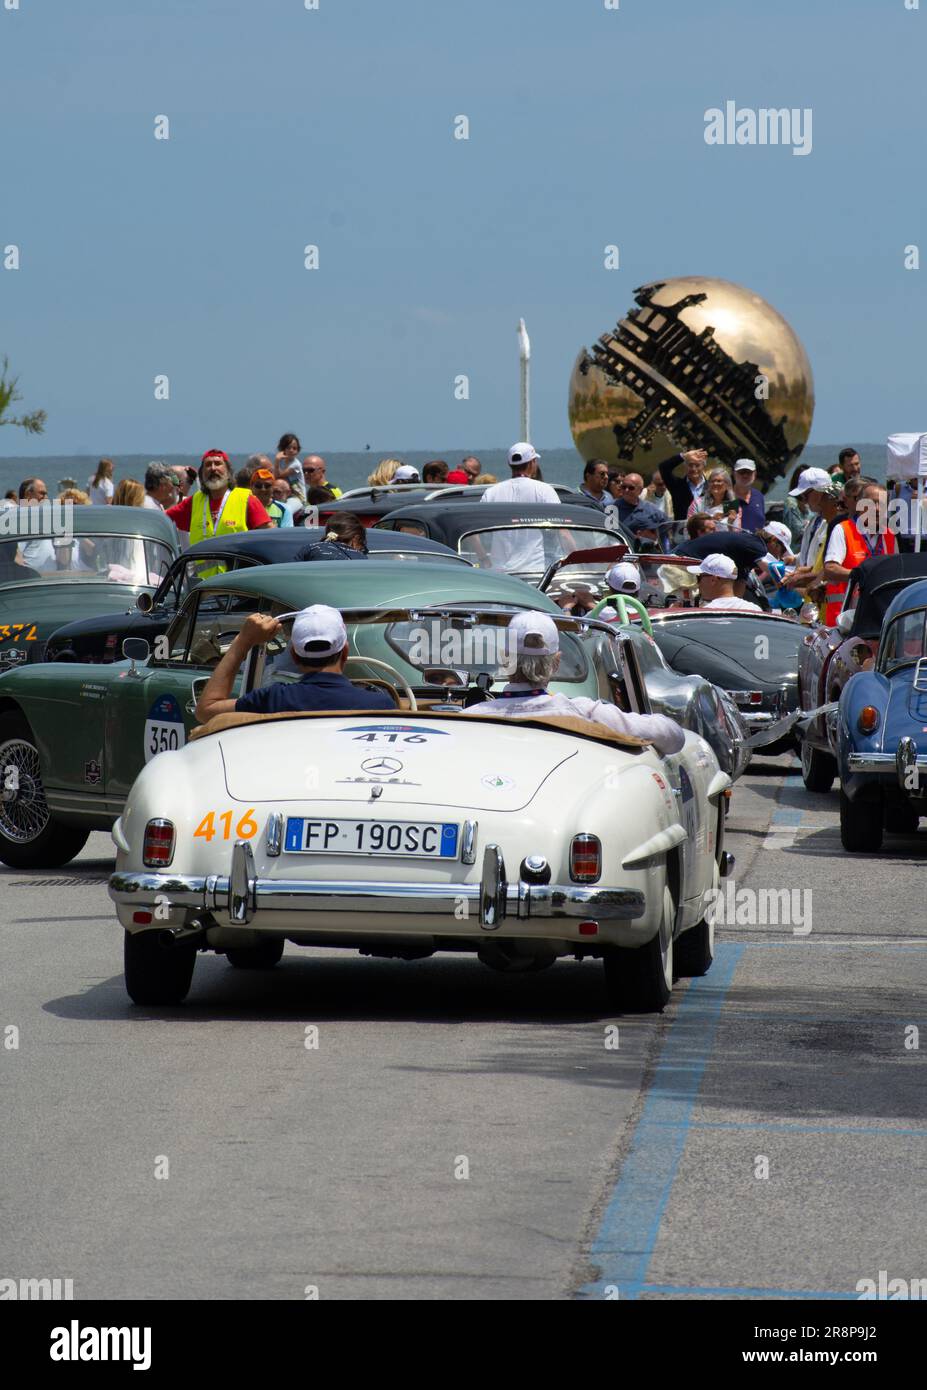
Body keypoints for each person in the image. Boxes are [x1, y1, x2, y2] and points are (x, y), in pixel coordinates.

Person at [461, 611, 685, 755]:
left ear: (504, 658)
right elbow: (674, 737)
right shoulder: (586, 712)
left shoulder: (472, 717)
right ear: (556, 662)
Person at [195, 606, 394, 722]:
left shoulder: (273, 699)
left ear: (295, 655)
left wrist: (243, 641)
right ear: (345, 651)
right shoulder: (379, 706)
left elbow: (206, 710)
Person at [821, 484, 896, 624]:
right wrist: (858, 575)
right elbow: (830, 569)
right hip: (843, 621)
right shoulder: (843, 529)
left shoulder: (890, 535)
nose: (878, 509)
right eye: (873, 503)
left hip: (876, 619)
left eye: (882, 504)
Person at [165, 449, 271, 544]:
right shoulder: (193, 502)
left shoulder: (246, 500)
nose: (213, 468)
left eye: (218, 464)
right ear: (201, 474)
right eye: (208, 465)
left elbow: (271, 535)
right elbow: (161, 521)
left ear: (228, 472)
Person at [480, 444, 559, 505]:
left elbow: (481, 521)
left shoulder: (491, 493)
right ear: (532, 463)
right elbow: (559, 521)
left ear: (509, 464)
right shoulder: (545, 490)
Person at [758, 522, 803, 614]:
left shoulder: (760, 549)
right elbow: (779, 573)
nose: (780, 554)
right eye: (782, 549)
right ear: (774, 540)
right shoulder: (759, 550)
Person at [654, 447, 709, 518]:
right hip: (682, 527)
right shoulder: (677, 485)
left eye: (697, 465)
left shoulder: (711, 486)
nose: (694, 469)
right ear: (685, 467)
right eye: (690, 465)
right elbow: (663, 467)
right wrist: (684, 456)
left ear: (703, 467)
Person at [694, 553, 760, 610]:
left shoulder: (703, 615)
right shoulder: (754, 609)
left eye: (699, 578)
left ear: (713, 580)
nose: (698, 584)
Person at [296, 513, 368, 561]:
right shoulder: (360, 560)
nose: (361, 550)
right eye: (362, 545)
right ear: (356, 539)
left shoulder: (309, 549)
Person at [731, 459, 765, 532]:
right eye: (741, 472)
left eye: (749, 472)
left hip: (757, 541)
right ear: (734, 474)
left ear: (755, 474)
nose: (745, 475)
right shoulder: (728, 497)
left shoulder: (759, 495)